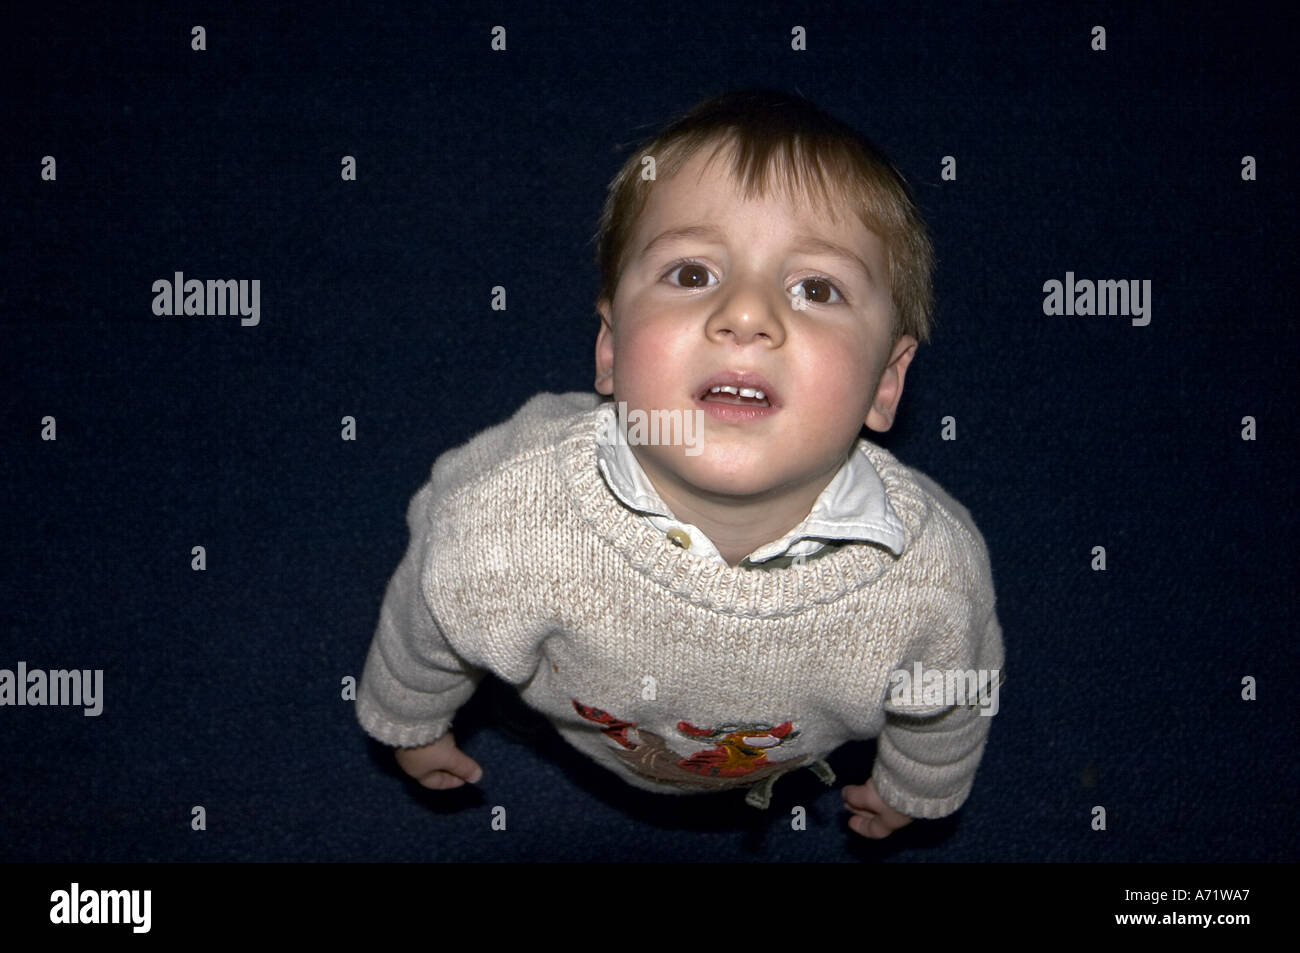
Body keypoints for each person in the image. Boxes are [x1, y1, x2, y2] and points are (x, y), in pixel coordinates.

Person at [357, 88, 1003, 840]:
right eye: (693, 273)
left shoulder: (931, 581)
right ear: (608, 349)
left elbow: (950, 699)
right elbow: (426, 620)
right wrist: (409, 719)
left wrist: (914, 787)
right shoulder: (503, 516)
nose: (747, 314)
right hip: (583, 747)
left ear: (886, 384)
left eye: (815, 288)